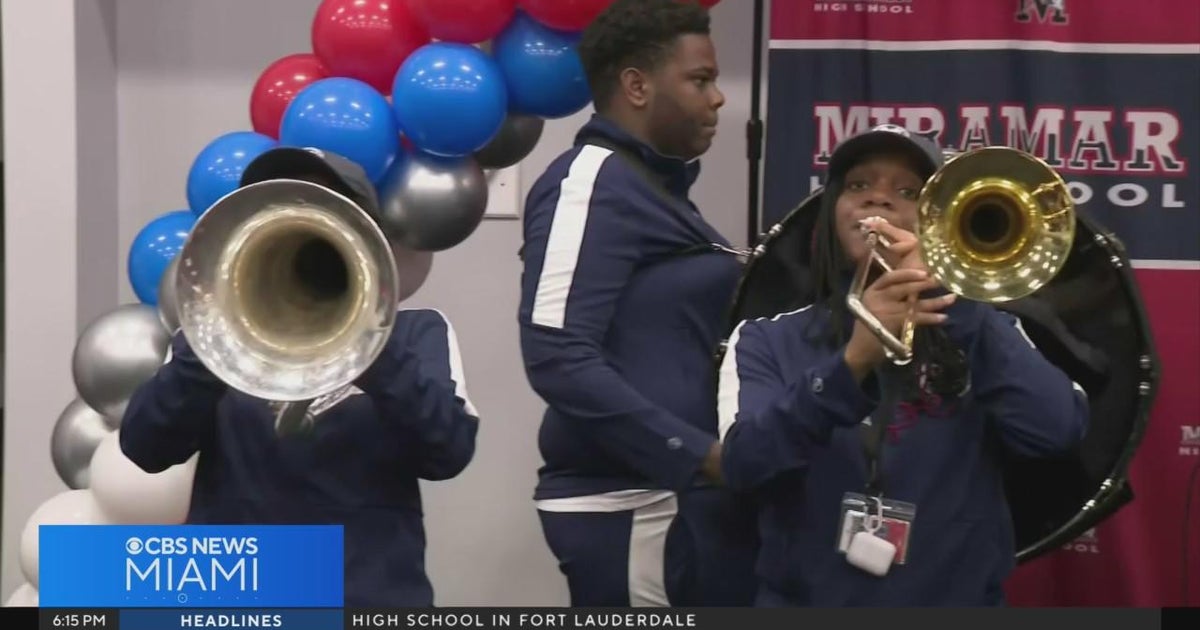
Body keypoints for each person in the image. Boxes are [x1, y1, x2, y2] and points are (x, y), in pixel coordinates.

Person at [716, 124, 1089, 606]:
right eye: (858, 185)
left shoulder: (988, 332)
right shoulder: (766, 338)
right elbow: (744, 466)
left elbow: (1057, 432)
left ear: (938, 220)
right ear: (832, 212)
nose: (879, 200)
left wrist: (961, 308)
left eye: (908, 191)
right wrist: (852, 362)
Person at [120, 147, 481, 607]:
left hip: (366, 596)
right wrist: (209, 347)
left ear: (367, 235)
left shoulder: (416, 332)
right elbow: (145, 448)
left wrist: (373, 342)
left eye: (323, 205)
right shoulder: (220, 336)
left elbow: (448, 452)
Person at [517, 0, 757, 607]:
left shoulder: (654, 193)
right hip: (634, 507)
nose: (719, 97)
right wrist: (698, 454)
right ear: (637, 85)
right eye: (701, 79)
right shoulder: (590, 180)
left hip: (674, 502)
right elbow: (555, 353)